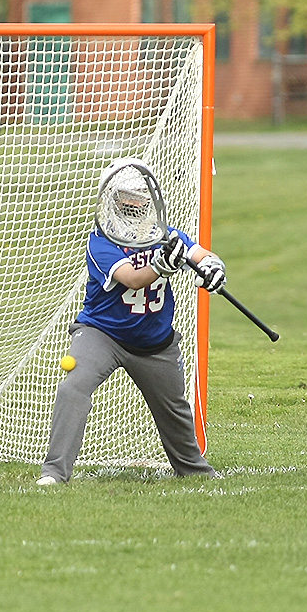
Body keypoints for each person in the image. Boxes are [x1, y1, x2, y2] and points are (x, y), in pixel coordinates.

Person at [37, 160, 227, 485]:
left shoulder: (166, 236)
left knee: (175, 413)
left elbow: (200, 254)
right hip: (102, 334)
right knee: (74, 387)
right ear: (111, 197)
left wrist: (212, 268)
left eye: (140, 195)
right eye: (127, 196)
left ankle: (195, 471)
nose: (135, 203)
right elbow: (133, 279)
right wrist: (163, 266)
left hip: (156, 343)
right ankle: (54, 473)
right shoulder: (100, 243)